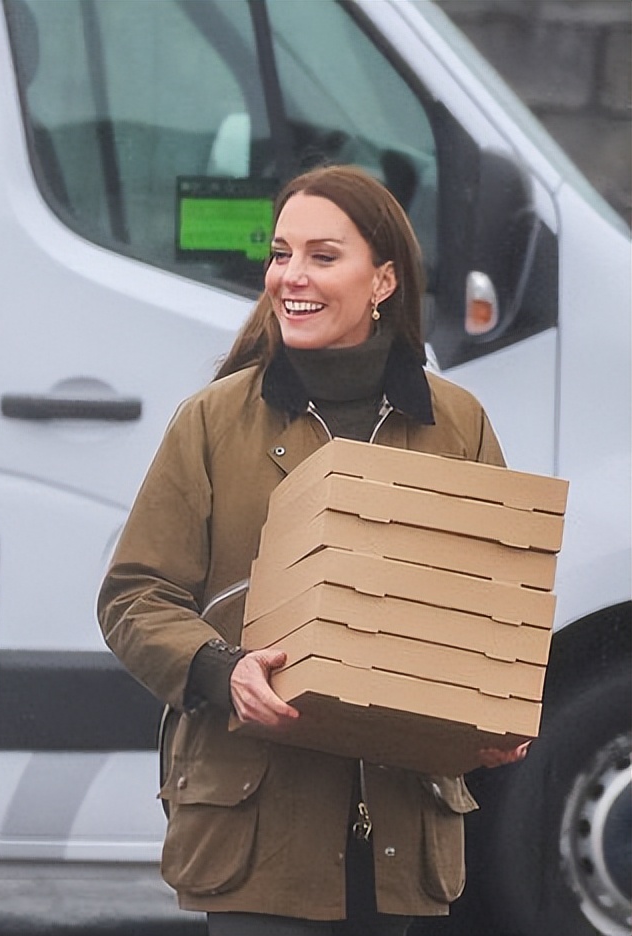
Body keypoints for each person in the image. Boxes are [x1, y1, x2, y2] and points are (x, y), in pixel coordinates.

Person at [97, 165, 526, 936]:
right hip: (257, 834)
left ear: (383, 280)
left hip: (401, 837)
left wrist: (494, 710)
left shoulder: (459, 424)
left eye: (322, 256)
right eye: (280, 253)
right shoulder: (213, 420)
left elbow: (490, 604)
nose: (290, 276)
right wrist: (218, 671)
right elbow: (135, 597)